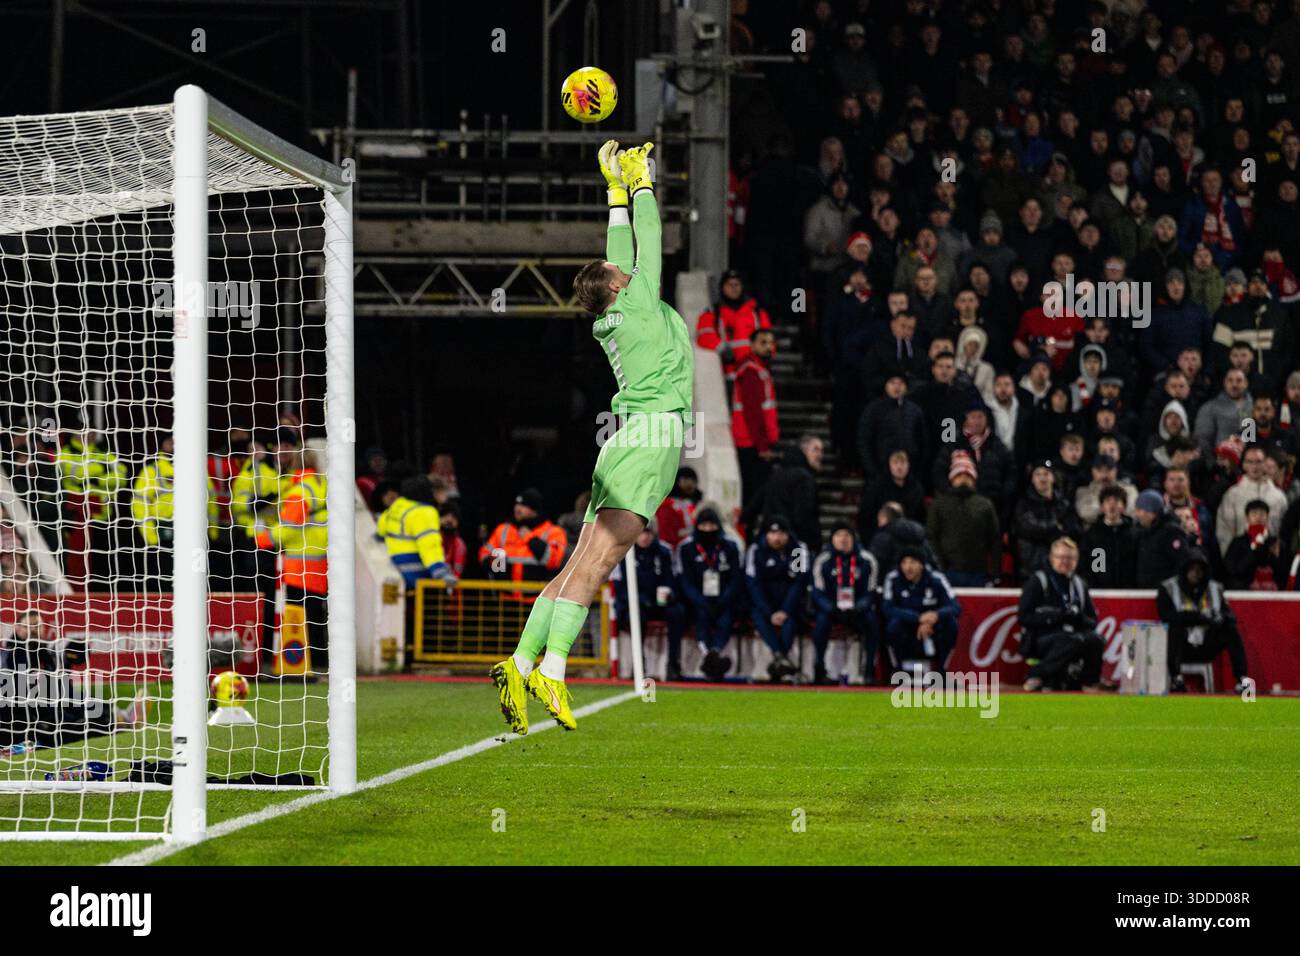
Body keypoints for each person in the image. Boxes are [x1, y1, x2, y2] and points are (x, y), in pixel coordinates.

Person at [492, 141, 693, 733]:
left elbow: (620, 250)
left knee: (579, 560)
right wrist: (643, 187)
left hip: (627, 439)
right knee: (601, 561)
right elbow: (648, 241)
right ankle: (553, 670)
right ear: (615, 288)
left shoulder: (616, 313)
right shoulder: (639, 306)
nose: (627, 268)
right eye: (620, 273)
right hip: (651, 438)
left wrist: (613, 195)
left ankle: (519, 662)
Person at [0, 608, 149, 748]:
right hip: (28, 717)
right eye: (30, 626)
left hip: (54, 706)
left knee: (87, 703)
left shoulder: (48, 649)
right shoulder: (9, 656)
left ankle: (122, 719)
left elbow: (74, 650)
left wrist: (76, 649)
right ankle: (120, 722)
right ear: (18, 628)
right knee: (89, 721)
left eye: (38, 626)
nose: (34, 630)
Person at [255, 445, 330, 676]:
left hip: (300, 564)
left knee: (298, 616)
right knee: (315, 614)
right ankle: (318, 660)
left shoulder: (300, 491)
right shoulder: (321, 486)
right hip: (319, 560)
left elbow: (288, 528)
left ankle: (299, 662)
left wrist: (261, 538)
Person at [1017, 537, 1106, 692]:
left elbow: (1093, 620)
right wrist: (1056, 616)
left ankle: (1089, 681)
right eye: (1061, 557)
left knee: (1096, 639)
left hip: (1073, 635)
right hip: (1042, 637)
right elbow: (1024, 617)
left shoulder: (1079, 584)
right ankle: (1037, 673)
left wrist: (1078, 618)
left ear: (1076, 560)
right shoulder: (1038, 581)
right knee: (1071, 640)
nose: (1065, 562)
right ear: (1052, 559)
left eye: (1070, 558)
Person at [1156, 549, 1251, 694]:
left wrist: (1220, 618)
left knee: (1231, 630)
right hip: (1181, 647)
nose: (1196, 573)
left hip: (1207, 644)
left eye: (1199, 569)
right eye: (1192, 569)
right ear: (1185, 570)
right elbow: (1167, 617)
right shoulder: (1168, 588)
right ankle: (1176, 678)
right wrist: (1200, 617)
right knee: (1175, 628)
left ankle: (1242, 679)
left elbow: (1230, 616)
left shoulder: (1215, 588)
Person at [609, 520, 686, 681]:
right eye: (641, 532)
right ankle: (638, 664)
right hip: (634, 603)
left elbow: (672, 579)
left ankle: (673, 663)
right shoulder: (623, 552)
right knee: (634, 616)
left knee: (677, 613)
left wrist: (670, 594)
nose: (644, 537)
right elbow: (619, 587)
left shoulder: (664, 551)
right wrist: (639, 600)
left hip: (658, 603)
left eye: (648, 533)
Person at [675, 507, 742, 682]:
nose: (708, 529)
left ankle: (713, 655)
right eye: (704, 525)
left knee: (725, 618)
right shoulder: (687, 547)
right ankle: (711, 656)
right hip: (697, 601)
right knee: (701, 616)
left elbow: (736, 578)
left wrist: (723, 600)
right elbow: (685, 581)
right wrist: (700, 601)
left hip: (723, 599)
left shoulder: (730, 546)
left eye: (711, 524)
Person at [810, 524, 880, 685]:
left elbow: (871, 591)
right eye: (838, 535)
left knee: (872, 621)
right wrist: (832, 608)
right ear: (832, 539)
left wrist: (858, 607)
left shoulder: (867, 560)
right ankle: (819, 668)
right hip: (831, 609)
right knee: (821, 623)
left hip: (857, 609)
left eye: (847, 535)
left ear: (853, 538)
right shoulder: (823, 560)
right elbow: (817, 591)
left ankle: (869, 669)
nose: (843, 539)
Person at [745, 516, 810, 682]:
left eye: (781, 533)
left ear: (788, 534)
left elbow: (798, 582)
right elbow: (754, 585)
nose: (777, 537)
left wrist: (785, 610)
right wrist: (769, 612)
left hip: (789, 605)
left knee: (790, 620)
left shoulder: (797, 550)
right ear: (766, 534)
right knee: (759, 617)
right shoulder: (756, 550)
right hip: (765, 605)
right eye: (773, 533)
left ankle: (779, 660)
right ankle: (781, 658)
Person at [881, 547, 960, 674]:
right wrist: (917, 618)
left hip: (933, 625)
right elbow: (887, 608)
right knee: (893, 626)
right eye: (904, 562)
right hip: (907, 623)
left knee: (951, 624)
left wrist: (935, 615)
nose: (908, 567)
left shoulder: (937, 579)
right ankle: (897, 670)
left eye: (913, 562)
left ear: (922, 565)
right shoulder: (893, 578)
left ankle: (941, 671)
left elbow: (955, 607)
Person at [926, 452, 1001, 586]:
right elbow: (931, 537)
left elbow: (994, 539)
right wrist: (940, 566)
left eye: (967, 475)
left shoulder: (985, 504)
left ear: (974, 479)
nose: (963, 479)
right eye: (959, 475)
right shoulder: (939, 504)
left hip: (978, 571)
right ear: (952, 479)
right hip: (948, 571)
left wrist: (995, 572)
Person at [376, 476, 458, 587]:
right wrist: (439, 570)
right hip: (418, 573)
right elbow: (429, 545)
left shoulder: (396, 507)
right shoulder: (424, 512)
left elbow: (380, 532)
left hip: (395, 569)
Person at [477, 488, 568, 587]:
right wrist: (498, 565)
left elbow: (555, 561)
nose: (517, 508)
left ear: (535, 510)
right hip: (505, 600)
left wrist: (530, 538)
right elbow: (484, 555)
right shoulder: (503, 529)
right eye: (517, 504)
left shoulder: (553, 531)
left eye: (524, 505)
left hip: (537, 600)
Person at [695, 269, 772, 386]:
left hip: (756, 374)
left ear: (742, 287)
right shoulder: (713, 313)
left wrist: (765, 354)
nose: (733, 288)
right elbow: (704, 335)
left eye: (737, 284)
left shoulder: (758, 313)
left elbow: (770, 342)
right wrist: (722, 348)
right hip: (729, 376)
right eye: (729, 284)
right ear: (722, 287)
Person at [732, 327, 779, 507]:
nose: (768, 347)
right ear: (752, 345)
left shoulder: (757, 369)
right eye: (763, 343)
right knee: (754, 495)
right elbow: (753, 413)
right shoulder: (751, 371)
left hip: (753, 442)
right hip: (751, 444)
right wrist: (762, 446)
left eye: (771, 343)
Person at [760, 435, 823, 550]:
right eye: (815, 449)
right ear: (803, 451)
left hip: (772, 540)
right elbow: (804, 515)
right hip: (796, 545)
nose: (820, 455)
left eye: (821, 450)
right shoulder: (804, 477)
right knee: (797, 568)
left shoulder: (776, 474)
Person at [1081, 484, 1140, 588]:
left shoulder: (1135, 532)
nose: (1112, 506)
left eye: (1117, 501)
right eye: (1108, 501)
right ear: (1102, 507)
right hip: (1099, 590)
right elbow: (1086, 563)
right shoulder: (1092, 533)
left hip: (1129, 590)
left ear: (1123, 507)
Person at [1134, 489, 1190, 587]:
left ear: (1150, 511)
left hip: (1167, 593)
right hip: (1148, 592)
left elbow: (1182, 563)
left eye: (1139, 510)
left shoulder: (1171, 532)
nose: (1137, 515)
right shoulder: (1144, 531)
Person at [654, 466, 701, 548]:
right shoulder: (667, 505)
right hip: (677, 549)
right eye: (685, 481)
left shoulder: (697, 503)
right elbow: (666, 535)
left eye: (693, 481)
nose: (690, 485)